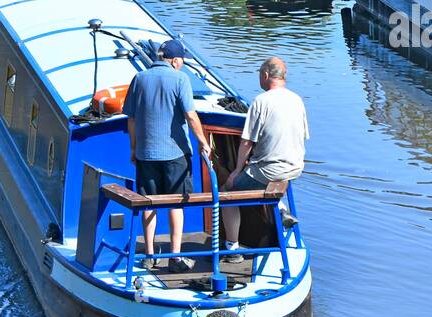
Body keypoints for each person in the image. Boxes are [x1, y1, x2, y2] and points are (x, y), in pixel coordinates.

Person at [124, 39, 213, 273]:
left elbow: (131, 119)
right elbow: (191, 116)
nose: (182, 66)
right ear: (174, 60)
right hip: (175, 154)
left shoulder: (139, 79)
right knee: (176, 204)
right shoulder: (180, 79)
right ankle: (175, 257)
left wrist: (134, 148)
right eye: (182, 61)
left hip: (146, 153)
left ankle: (150, 255)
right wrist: (203, 142)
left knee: (148, 204)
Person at [220, 57, 309, 258]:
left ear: (265, 75)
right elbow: (302, 135)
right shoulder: (297, 100)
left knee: (228, 192)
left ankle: (231, 249)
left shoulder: (261, 101)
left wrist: (236, 171)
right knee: (268, 183)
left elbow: (246, 142)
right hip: (295, 167)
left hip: (270, 169)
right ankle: (281, 208)